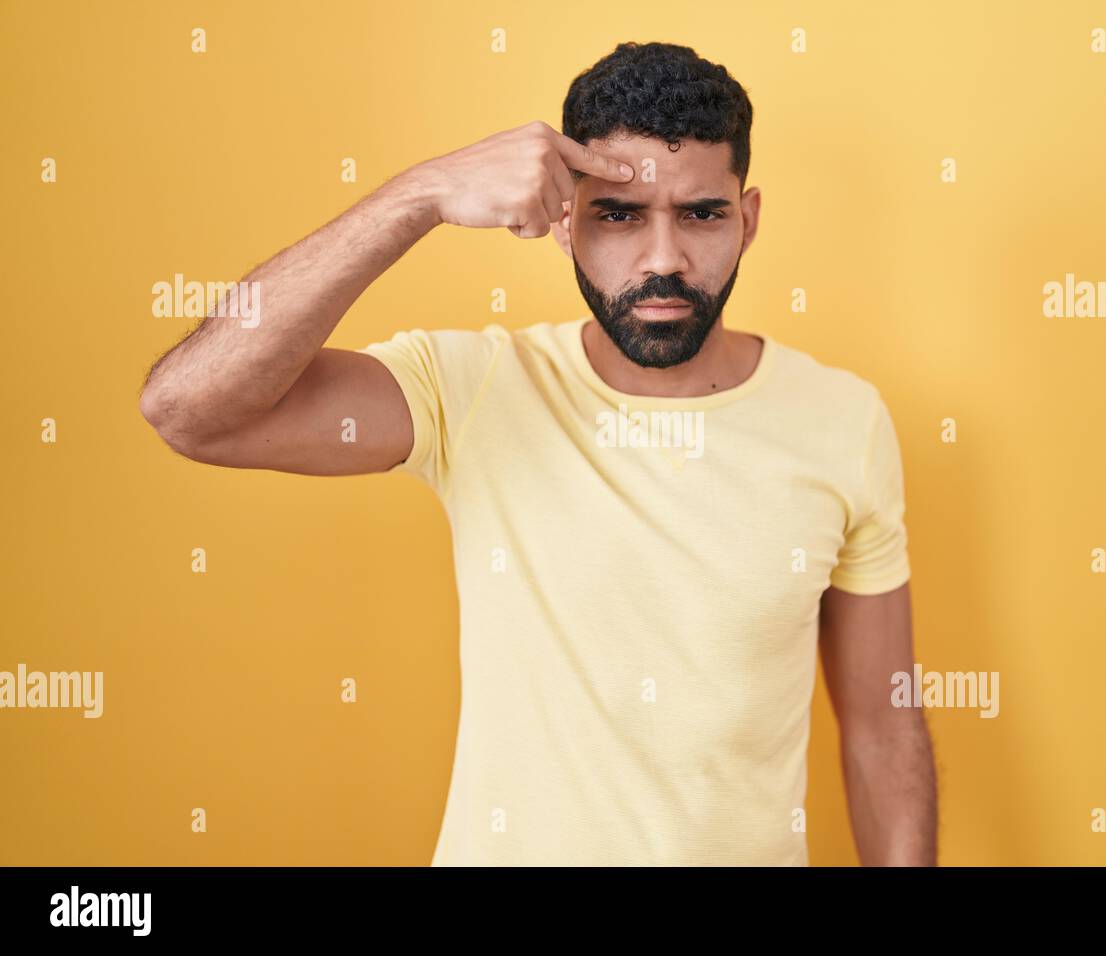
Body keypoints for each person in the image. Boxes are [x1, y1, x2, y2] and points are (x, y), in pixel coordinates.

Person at [139, 41, 936, 866]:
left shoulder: (843, 421)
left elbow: (882, 729)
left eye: (702, 213)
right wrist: (421, 194)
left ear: (750, 219)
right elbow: (189, 410)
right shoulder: (474, 387)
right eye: (619, 215)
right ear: (564, 222)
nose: (664, 259)